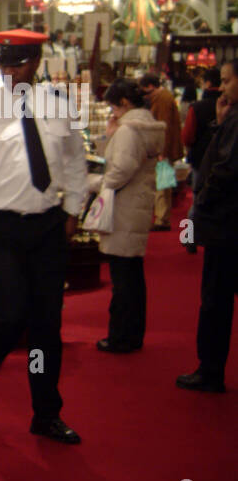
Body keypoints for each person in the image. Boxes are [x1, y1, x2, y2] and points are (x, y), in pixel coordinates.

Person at [0, 29, 87, 444]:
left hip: (46, 226)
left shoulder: (61, 106)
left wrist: (73, 209)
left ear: (37, 62)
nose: (10, 72)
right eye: (4, 65)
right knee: (9, 315)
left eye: (19, 63)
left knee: (47, 326)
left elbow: (75, 161)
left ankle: (45, 413)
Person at [88, 80, 165, 353]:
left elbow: (119, 171)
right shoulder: (145, 126)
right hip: (138, 205)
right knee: (132, 275)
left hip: (124, 208)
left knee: (123, 278)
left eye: (112, 105)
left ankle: (121, 336)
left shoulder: (128, 131)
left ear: (123, 103)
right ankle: (131, 333)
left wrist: (95, 182)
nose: (111, 112)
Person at [177, 60, 238, 393]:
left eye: (228, 81)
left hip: (224, 222)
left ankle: (210, 369)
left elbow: (225, 170)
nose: (223, 87)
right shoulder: (223, 115)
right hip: (223, 218)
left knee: (215, 299)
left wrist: (205, 200)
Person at [181, 67, 224, 255]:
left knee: (198, 198)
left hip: (200, 159)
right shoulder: (230, 105)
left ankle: (189, 238)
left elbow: (187, 137)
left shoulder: (197, 107)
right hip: (225, 159)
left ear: (207, 83)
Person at [140, 73, 182, 229]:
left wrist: (161, 151)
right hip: (165, 147)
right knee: (164, 184)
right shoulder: (163, 97)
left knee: (162, 185)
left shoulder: (163, 99)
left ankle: (161, 219)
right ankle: (163, 217)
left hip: (164, 148)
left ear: (151, 87)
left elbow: (164, 127)